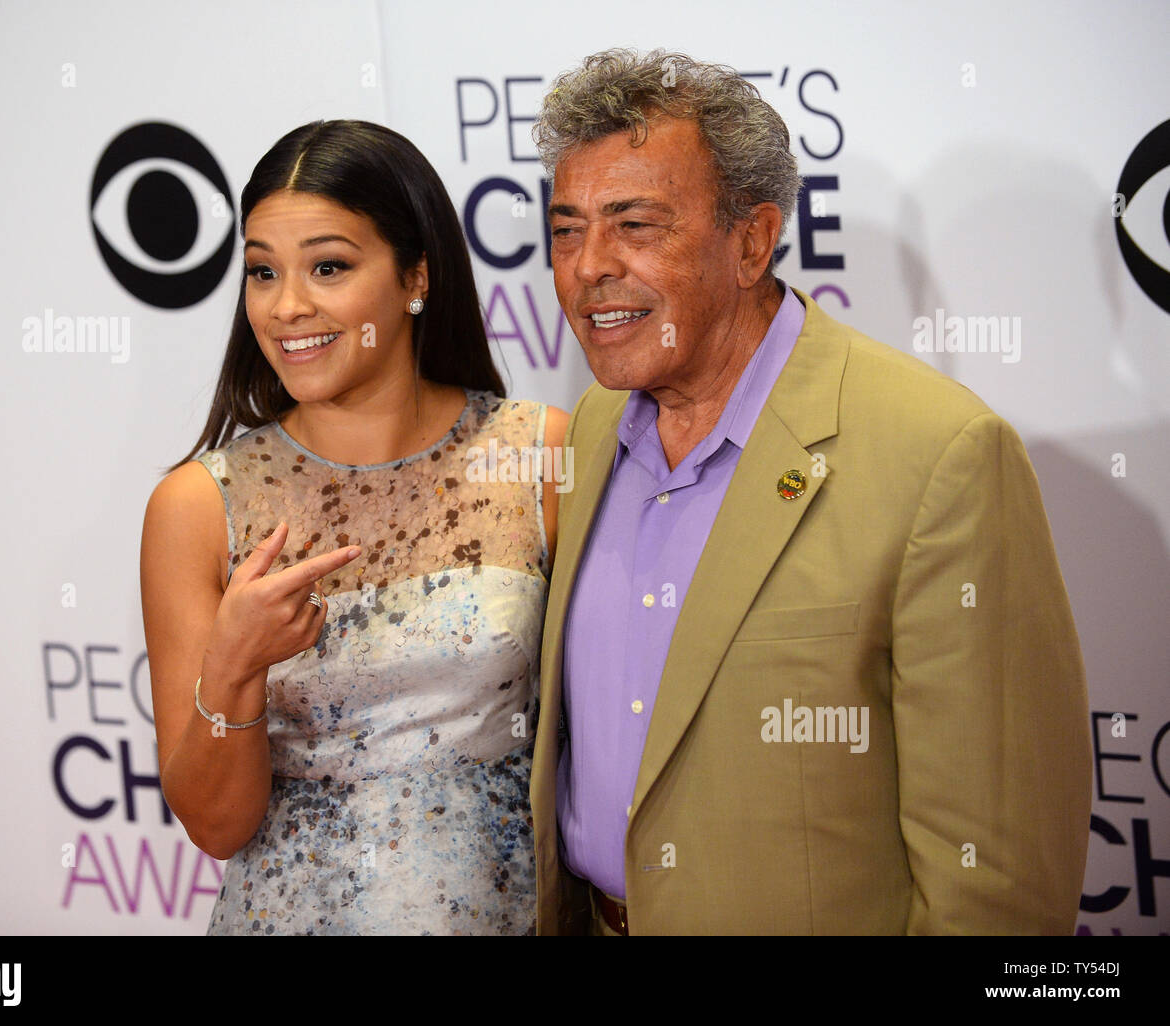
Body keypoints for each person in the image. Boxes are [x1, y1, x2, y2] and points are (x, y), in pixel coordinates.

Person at [529, 49, 1092, 935]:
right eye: (566, 229)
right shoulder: (594, 428)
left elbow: (1000, 878)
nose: (586, 266)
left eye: (633, 225)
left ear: (751, 241)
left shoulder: (940, 455)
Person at [140, 119, 569, 935]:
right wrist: (233, 667)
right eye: (262, 272)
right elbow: (216, 826)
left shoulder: (537, 453)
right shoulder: (197, 506)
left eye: (329, 267)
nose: (287, 306)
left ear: (416, 277)